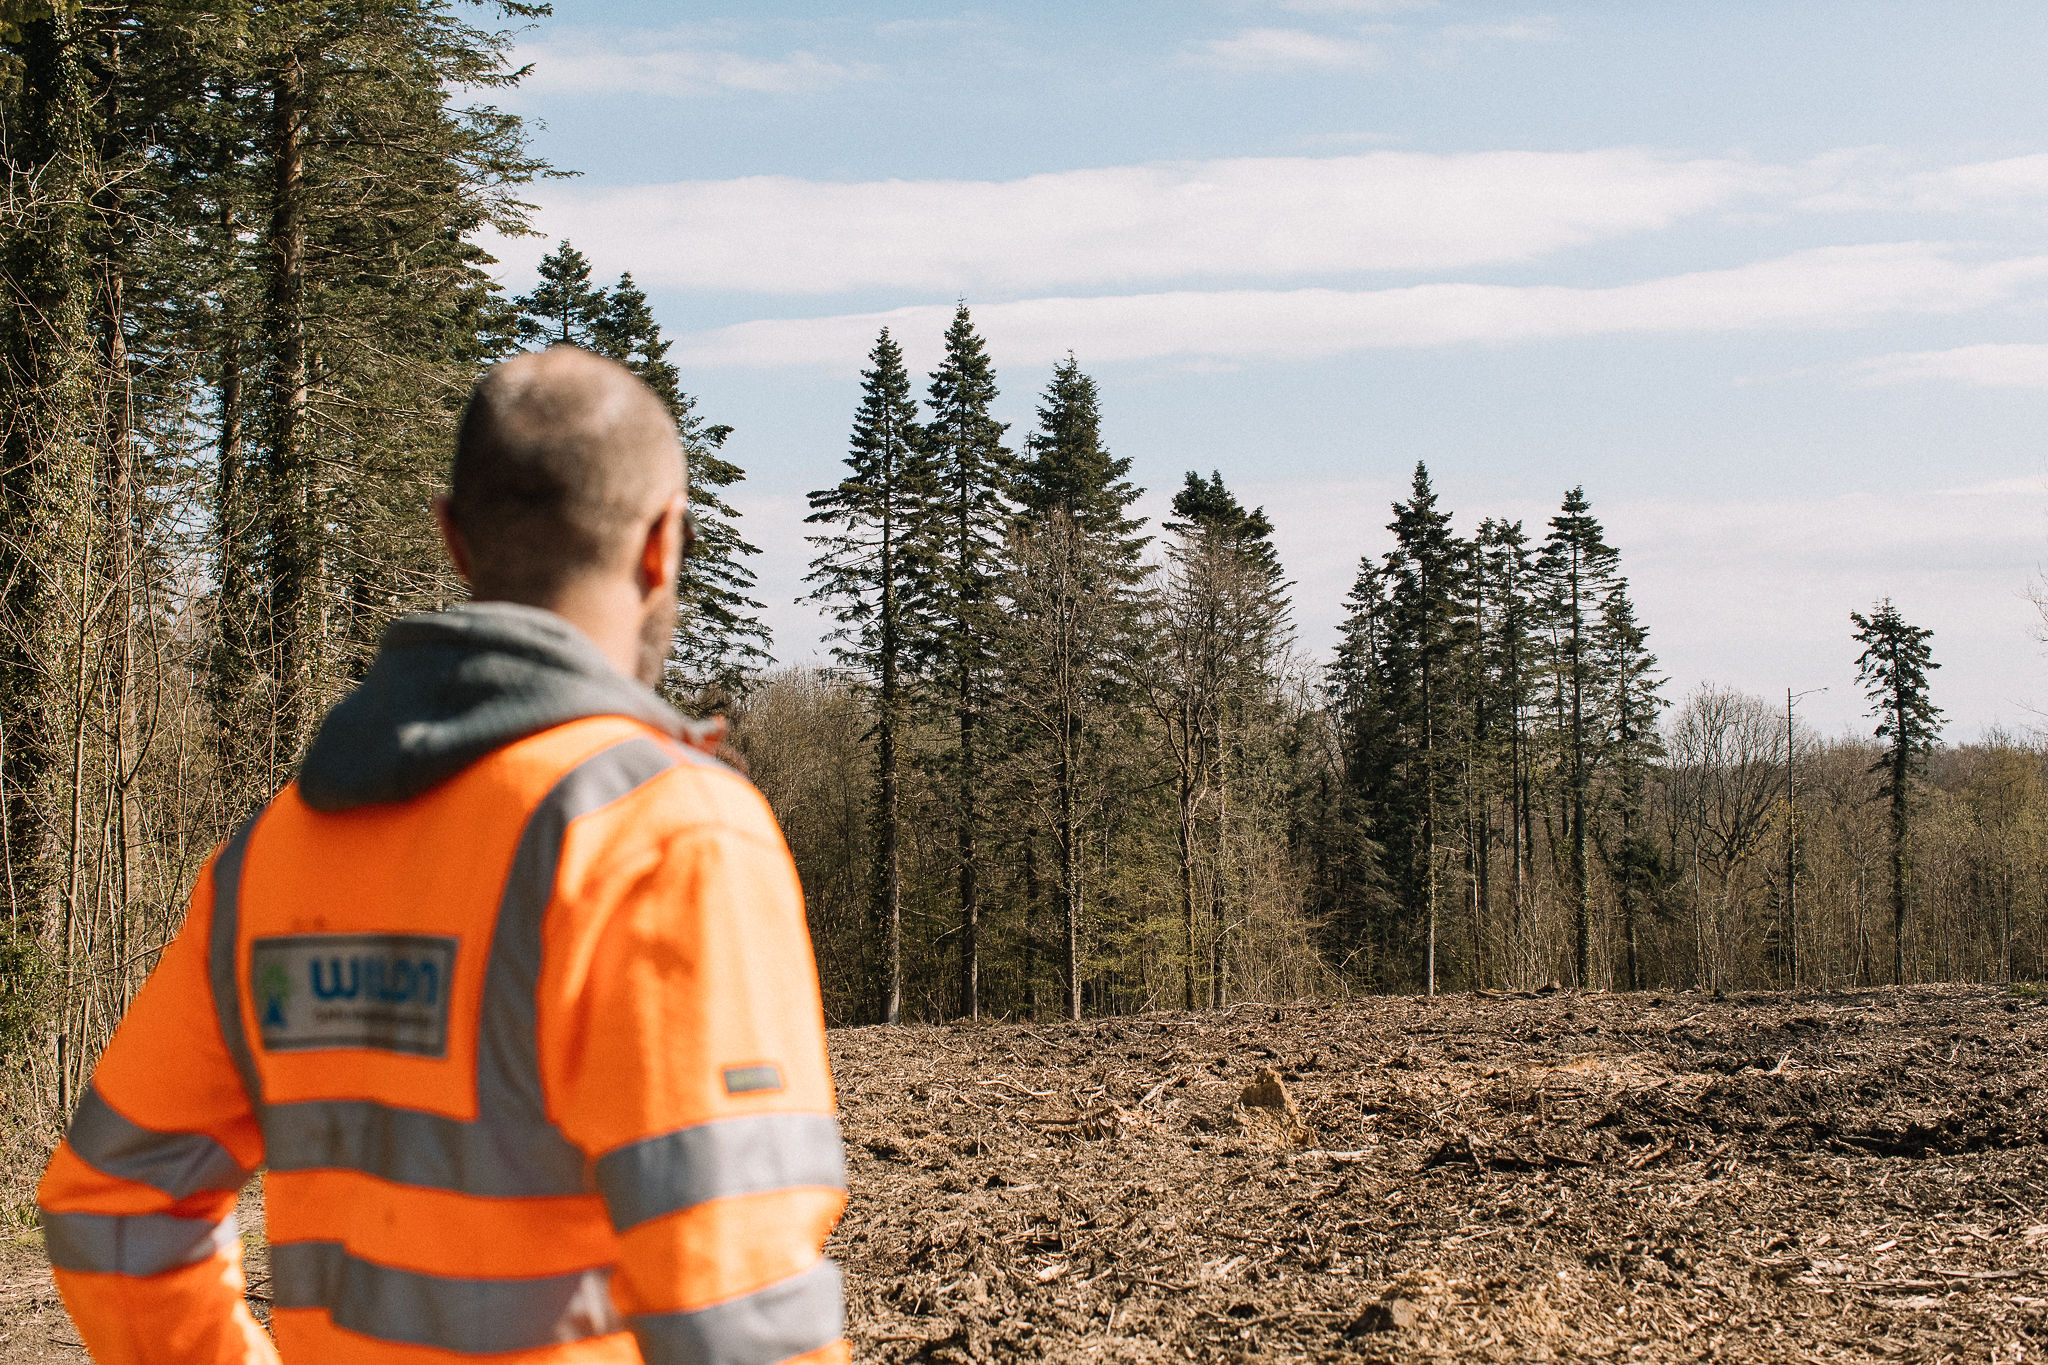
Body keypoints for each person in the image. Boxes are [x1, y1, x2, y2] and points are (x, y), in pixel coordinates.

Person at [35, 347, 848, 1365]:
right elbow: (740, 1310)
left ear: (453, 540)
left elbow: (112, 1204)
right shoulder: (666, 836)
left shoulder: (275, 852)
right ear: (662, 547)